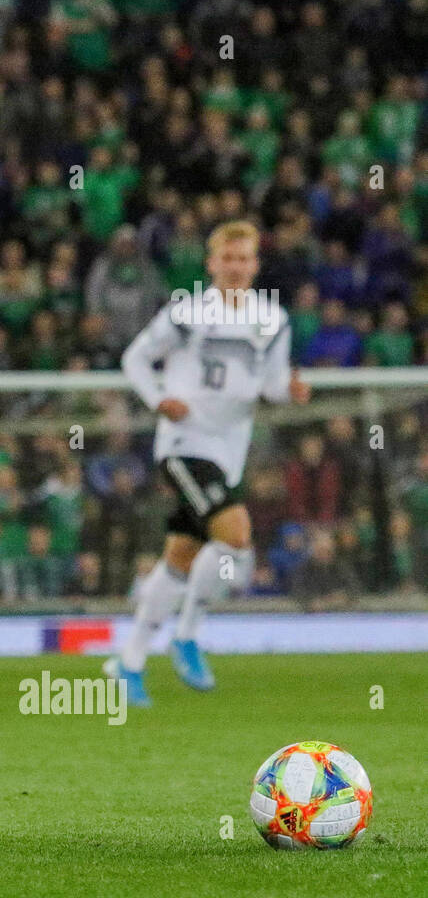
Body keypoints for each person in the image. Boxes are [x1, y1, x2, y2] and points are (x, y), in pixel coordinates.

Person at [104, 221, 311, 706]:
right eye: (228, 259)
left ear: (256, 264)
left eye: (245, 259)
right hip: (184, 444)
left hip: (230, 451)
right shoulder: (187, 313)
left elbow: (274, 384)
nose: (237, 267)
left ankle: (128, 662)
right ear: (211, 263)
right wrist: (158, 399)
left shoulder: (272, 320)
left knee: (181, 555)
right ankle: (187, 635)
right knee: (236, 540)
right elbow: (135, 359)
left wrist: (291, 391)